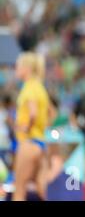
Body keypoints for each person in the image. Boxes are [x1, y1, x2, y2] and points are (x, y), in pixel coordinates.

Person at [13, 52, 50, 201]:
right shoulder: (40, 87)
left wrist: (25, 128)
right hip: (40, 143)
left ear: (26, 68)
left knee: (19, 190)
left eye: (18, 66)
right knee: (41, 190)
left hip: (28, 142)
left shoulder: (28, 87)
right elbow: (51, 113)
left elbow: (33, 113)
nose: (16, 69)